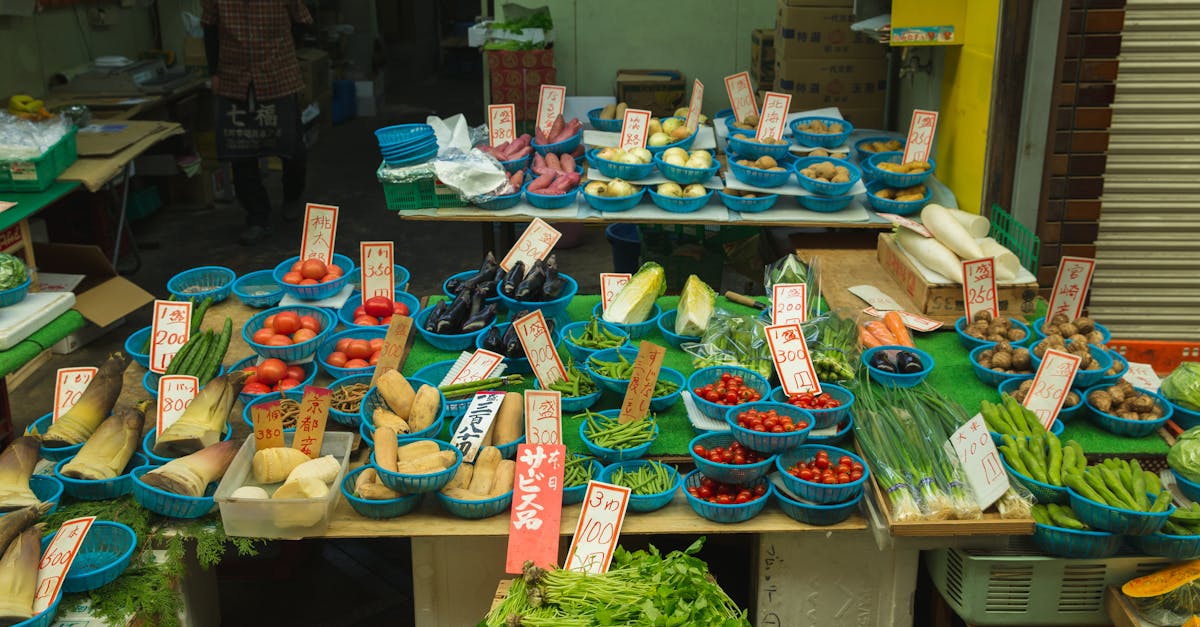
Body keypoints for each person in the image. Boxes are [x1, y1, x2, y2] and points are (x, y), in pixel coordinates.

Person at [202, 0, 312, 246]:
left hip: (278, 75)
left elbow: (302, 22)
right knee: (240, 152)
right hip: (234, 76)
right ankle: (257, 217)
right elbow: (209, 28)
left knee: (293, 148)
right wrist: (215, 73)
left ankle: (292, 195)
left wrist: (283, 52)